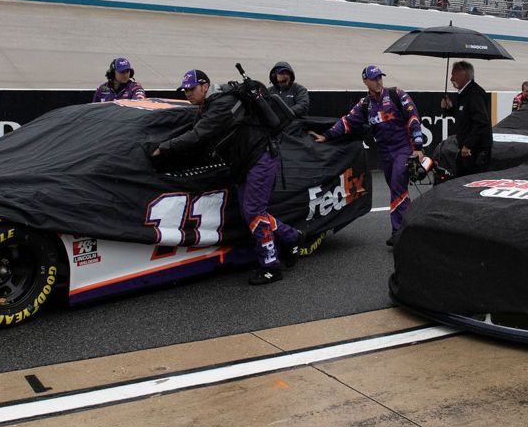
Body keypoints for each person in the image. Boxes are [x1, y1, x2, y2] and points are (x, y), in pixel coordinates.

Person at [153, 69, 300, 285]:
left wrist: (164, 148)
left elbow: (198, 135)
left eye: (191, 89)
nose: (187, 93)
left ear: (205, 86)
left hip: (260, 157)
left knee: (253, 213)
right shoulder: (210, 104)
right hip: (246, 161)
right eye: (184, 90)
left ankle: (271, 265)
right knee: (248, 212)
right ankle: (293, 237)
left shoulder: (220, 104)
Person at [312, 65, 425, 246]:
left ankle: (399, 232)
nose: (379, 81)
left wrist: (418, 146)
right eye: (374, 79)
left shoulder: (397, 94)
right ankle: (412, 226)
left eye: (380, 78)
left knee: (397, 185)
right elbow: (347, 122)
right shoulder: (365, 105)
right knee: (397, 190)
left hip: (403, 148)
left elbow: (413, 117)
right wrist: (327, 135)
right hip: (384, 152)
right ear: (365, 82)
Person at [442, 60, 493, 177]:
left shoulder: (475, 93)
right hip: (466, 149)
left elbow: (482, 122)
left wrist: (468, 144)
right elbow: (464, 116)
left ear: (463, 74)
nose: (451, 79)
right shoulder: (464, 93)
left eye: (453, 74)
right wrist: (449, 108)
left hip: (475, 150)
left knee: (470, 181)